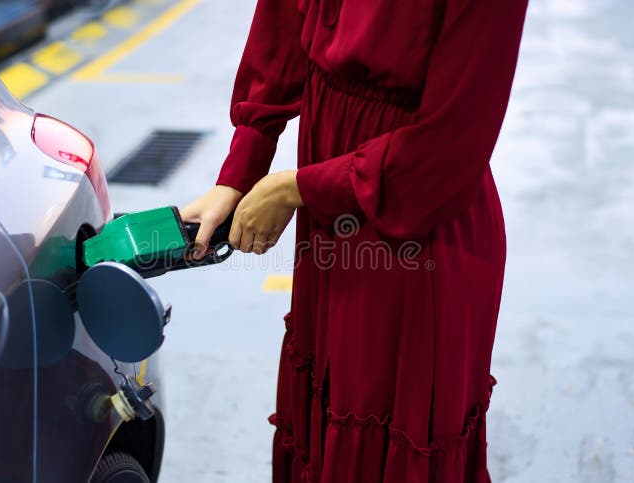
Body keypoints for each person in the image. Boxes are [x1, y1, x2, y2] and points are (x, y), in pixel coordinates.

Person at [181, 0, 528, 481]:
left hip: (413, 217)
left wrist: (297, 188)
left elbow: (452, 142)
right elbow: (281, 26)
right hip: (331, 201)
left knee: (379, 429)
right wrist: (241, 170)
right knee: (330, 420)